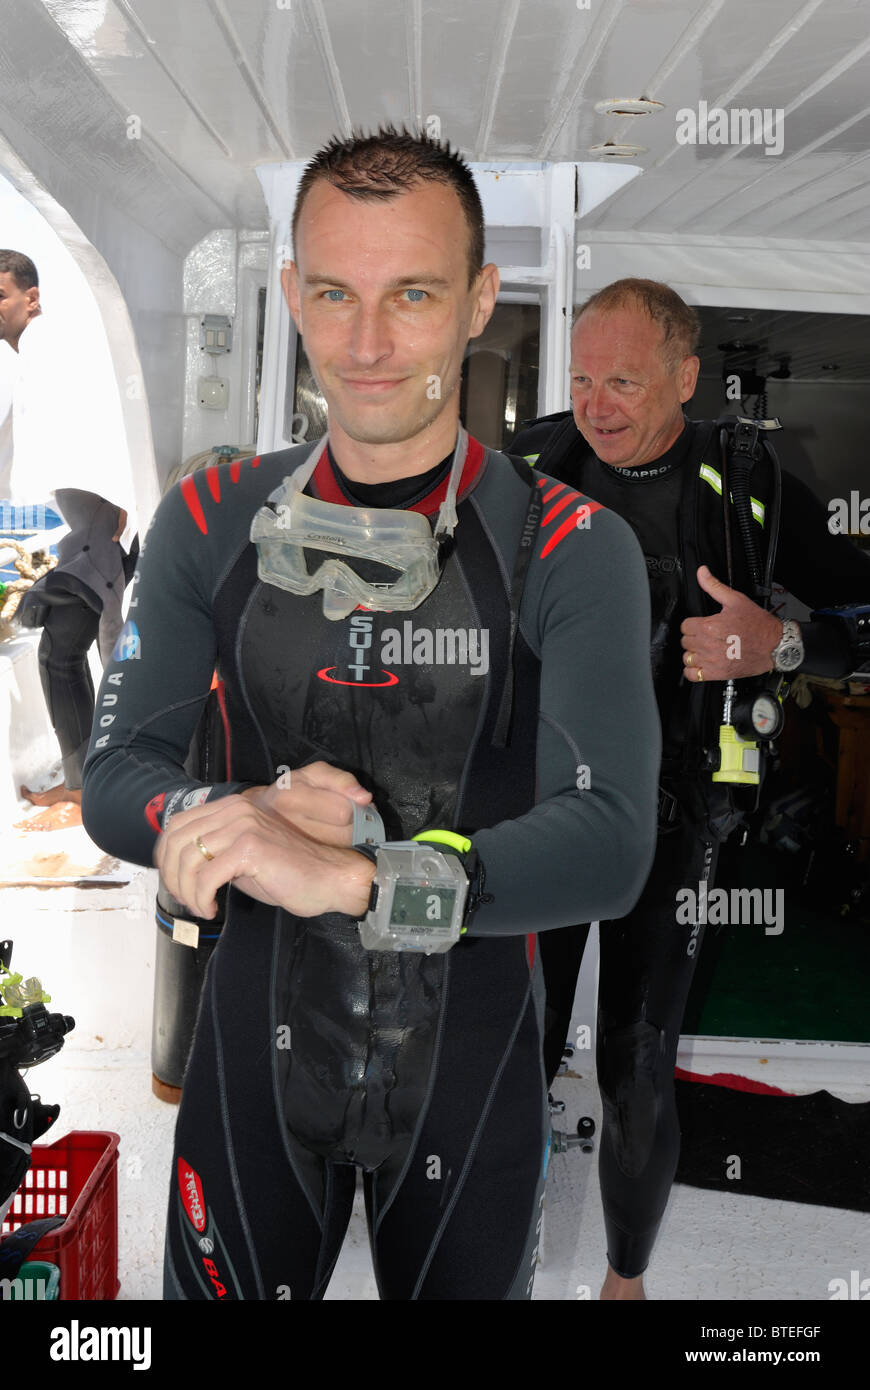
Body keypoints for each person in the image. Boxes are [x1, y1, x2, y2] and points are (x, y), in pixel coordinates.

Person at [81, 128, 660, 1300]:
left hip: (475, 1063)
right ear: (293, 292)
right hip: (251, 1057)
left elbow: (609, 845)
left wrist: (358, 879)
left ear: (479, 302)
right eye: (336, 292)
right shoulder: (207, 515)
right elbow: (116, 772)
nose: (368, 342)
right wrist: (230, 810)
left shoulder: (574, 546)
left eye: (413, 294)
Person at [510, 277, 870, 1300]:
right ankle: (502, 1257)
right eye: (582, 377)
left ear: (684, 377)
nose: (597, 403)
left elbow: (861, 621)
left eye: (623, 380)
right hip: (540, 804)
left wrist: (780, 638)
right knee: (511, 1047)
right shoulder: (529, 468)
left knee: (634, 1058)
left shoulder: (748, 482)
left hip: (677, 816)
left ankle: (627, 1281)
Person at [0, 250, 137, 824]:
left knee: (81, 658)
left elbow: (89, 441)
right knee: (67, 654)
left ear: (31, 296)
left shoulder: (48, 348)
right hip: (92, 530)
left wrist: (101, 530)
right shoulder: (44, 349)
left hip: (89, 535)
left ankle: (96, 788)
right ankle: (91, 781)